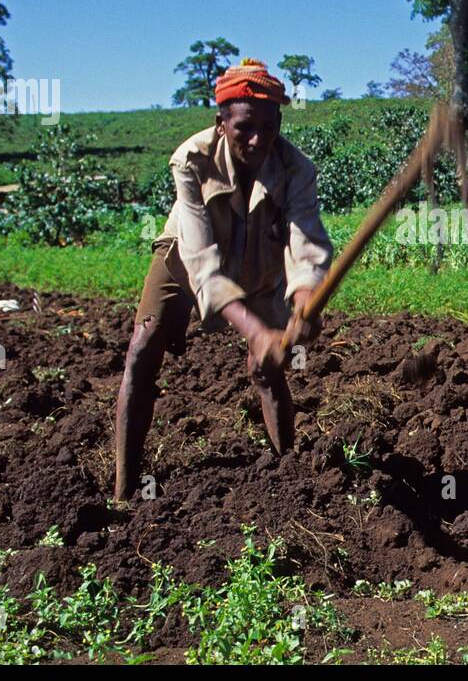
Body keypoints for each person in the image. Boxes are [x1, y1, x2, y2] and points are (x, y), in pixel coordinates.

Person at [113, 58, 332, 501]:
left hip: (260, 260)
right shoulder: (191, 160)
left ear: (279, 123)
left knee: (267, 367)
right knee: (142, 346)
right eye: (245, 128)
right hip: (187, 255)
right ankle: (123, 489)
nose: (257, 140)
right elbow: (202, 264)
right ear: (221, 122)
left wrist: (306, 301)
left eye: (268, 128)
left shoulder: (297, 170)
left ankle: (289, 476)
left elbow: (306, 243)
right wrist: (254, 330)